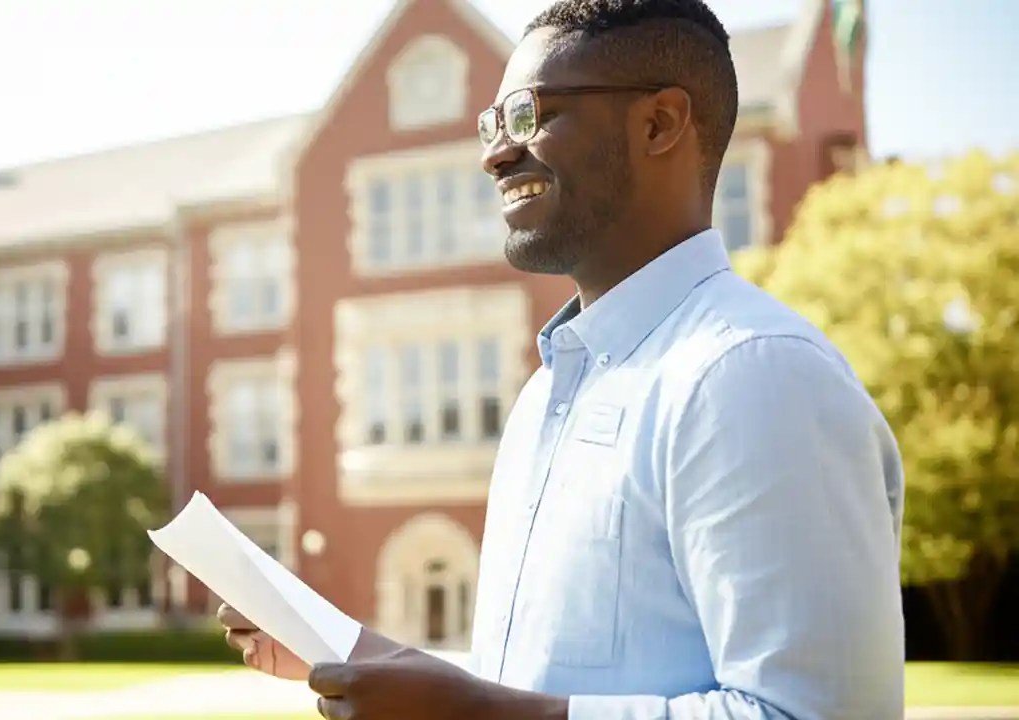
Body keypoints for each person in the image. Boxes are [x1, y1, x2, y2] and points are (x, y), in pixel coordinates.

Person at [220, 0, 906, 717]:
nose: (494, 153)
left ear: (659, 124)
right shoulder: (544, 396)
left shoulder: (752, 373)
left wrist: (482, 718)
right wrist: (350, 652)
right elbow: (533, 678)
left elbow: (813, 712)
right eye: (492, 125)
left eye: (532, 114)